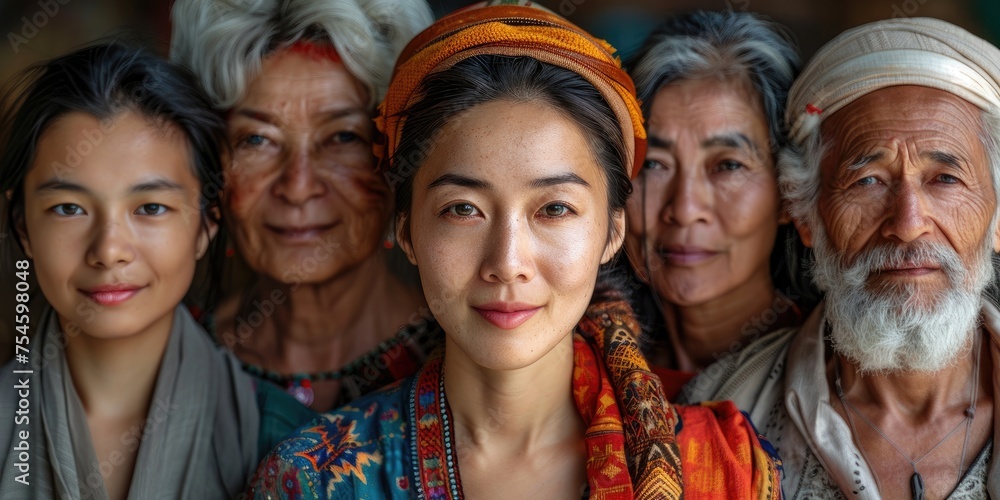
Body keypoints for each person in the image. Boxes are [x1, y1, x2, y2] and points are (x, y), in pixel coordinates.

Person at [248, 2, 781, 498]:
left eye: (554, 209)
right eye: (463, 209)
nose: (507, 263)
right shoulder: (314, 477)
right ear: (406, 230)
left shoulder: (721, 467)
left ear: (613, 231)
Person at [684, 17, 1000, 497]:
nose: (908, 222)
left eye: (945, 179)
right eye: (867, 180)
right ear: (806, 214)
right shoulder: (718, 415)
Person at [0, 41, 259, 499]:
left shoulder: (283, 442)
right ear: (23, 227)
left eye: (151, 207)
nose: (109, 250)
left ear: (207, 223)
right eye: (68, 208)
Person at [169, 0, 438, 422]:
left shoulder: (461, 355)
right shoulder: (170, 361)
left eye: (343, 137)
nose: (297, 187)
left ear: (396, 154)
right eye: (257, 139)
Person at [624, 11, 806, 400]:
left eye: (728, 166)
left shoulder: (835, 380)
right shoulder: (573, 376)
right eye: (654, 164)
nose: (686, 209)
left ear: (789, 193)